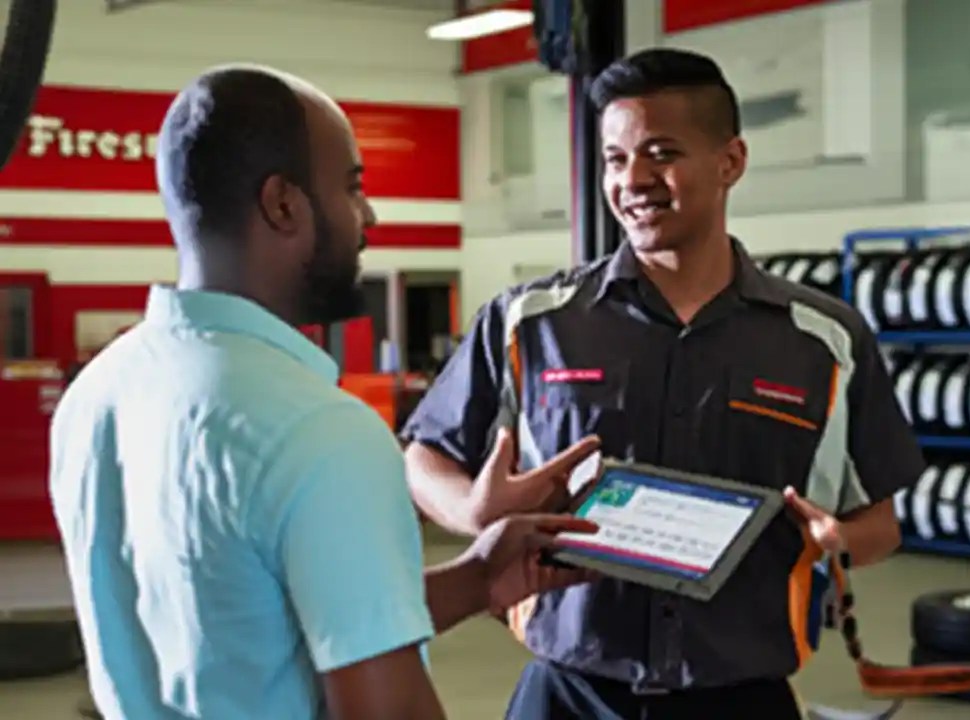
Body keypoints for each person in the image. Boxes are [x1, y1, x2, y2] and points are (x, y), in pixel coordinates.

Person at [47, 64, 600, 720]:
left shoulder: (99, 393)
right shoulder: (320, 430)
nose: (367, 214)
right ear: (284, 204)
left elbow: (252, 628)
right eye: (352, 185)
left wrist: (479, 576)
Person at [399, 48, 925, 719]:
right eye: (616, 160)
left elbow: (881, 523)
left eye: (662, 153)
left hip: (744, 698)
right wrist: (473, 513)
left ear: (730, 162)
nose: (634, 180)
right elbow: (423, 456)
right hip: (569, 693)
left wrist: (842, 542)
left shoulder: (824, 341)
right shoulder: (530, 321)